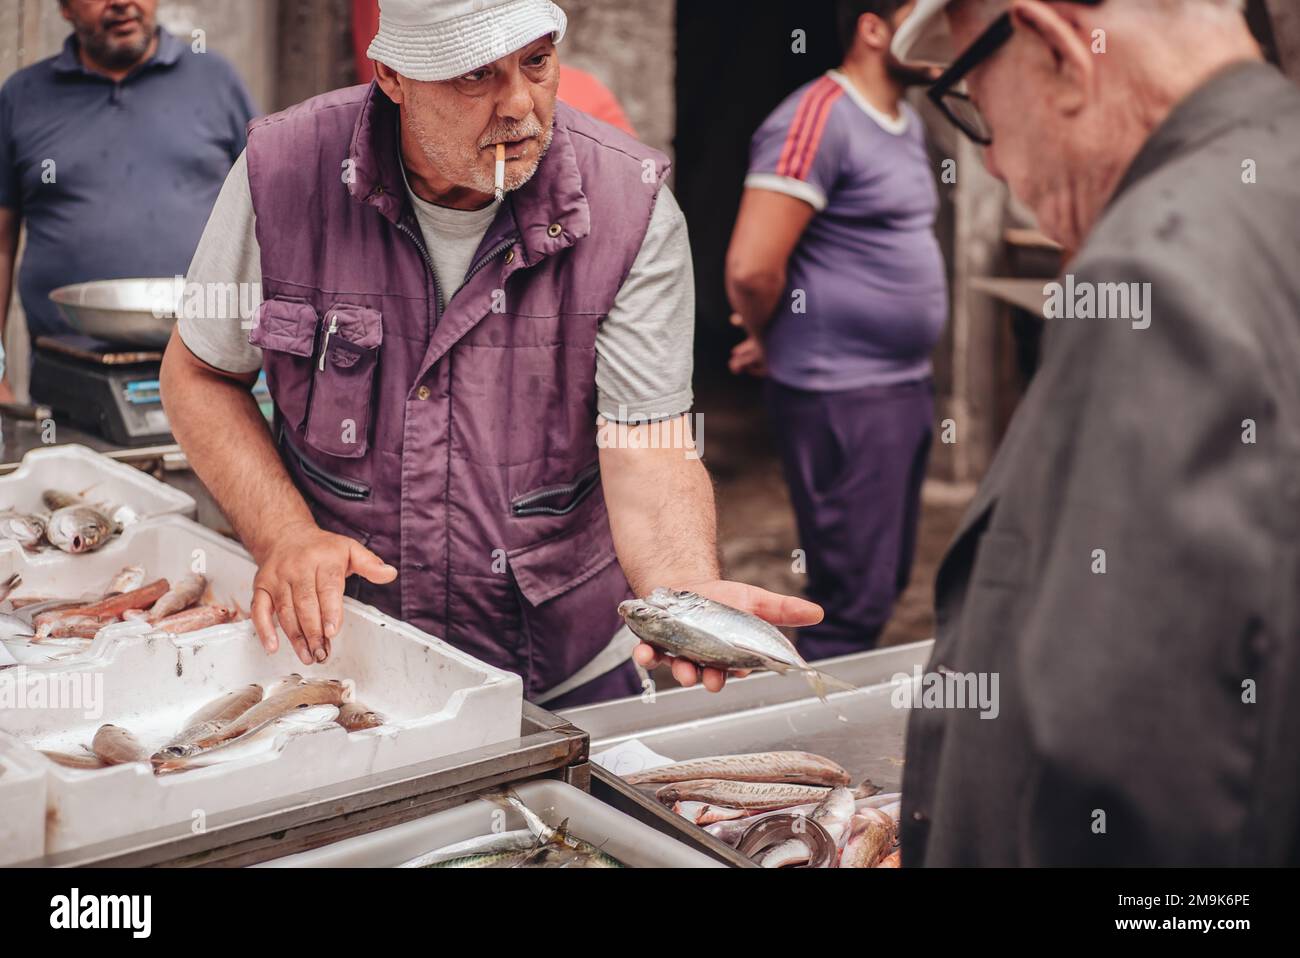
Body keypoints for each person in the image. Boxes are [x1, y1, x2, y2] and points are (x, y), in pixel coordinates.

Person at [160, 0, 820, 710]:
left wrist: (686, 587)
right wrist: (285, 535)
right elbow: (200, 374)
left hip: (561, 668)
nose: (520, 107)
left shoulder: (629, 205)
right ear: (393, 76)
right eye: (475, 75)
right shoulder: (282, 171)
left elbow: (647, 443)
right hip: (347, 647)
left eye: (536, 62)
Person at [890, 0, 1300, 865]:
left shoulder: (1156, 277)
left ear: (1060, 49)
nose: (990, 159)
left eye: (969, 98)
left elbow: (1134, 774)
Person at [725, 0, 948, 661]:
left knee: (883, 584)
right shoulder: (817, 116)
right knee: (850, 602)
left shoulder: (907, 123)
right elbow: (751, 266)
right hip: (841, 390)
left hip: (903, 385)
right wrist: (770, 337)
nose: (943, 27)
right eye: (921, 13)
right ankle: (810, 737)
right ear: (874, 28)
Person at [0, 0, 255, 400]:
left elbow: (268, 215)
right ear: (65, 8)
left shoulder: (214, 79)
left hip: (211, 370)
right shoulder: (23, 95)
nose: (121, 3)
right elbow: (1, 242)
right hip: (69, 370)